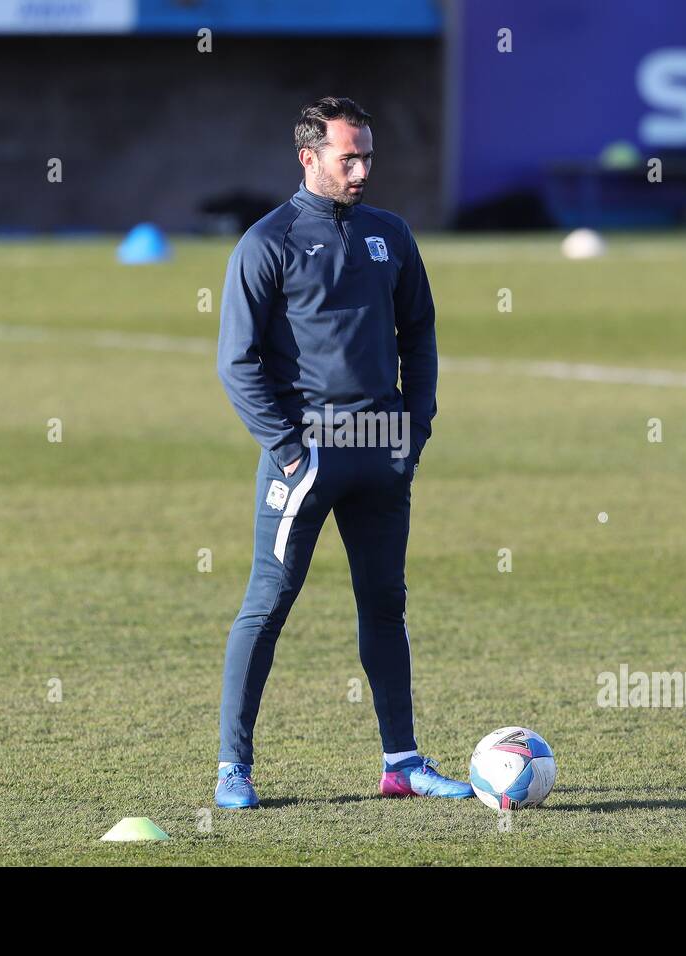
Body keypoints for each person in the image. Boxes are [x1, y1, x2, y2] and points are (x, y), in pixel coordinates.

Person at [213, 96, 471, 808]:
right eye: (346, 157)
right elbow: (237, 363)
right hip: (310, 454)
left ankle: (403, 763)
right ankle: (233, 768)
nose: (361, 170)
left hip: (382, 449)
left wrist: (415, 426)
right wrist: (290, 450)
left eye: (367, 157)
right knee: (268, 604)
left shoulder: (390, 234)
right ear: (309, 158)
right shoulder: (267, 242)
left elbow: (419, 332)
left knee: (386, 605)